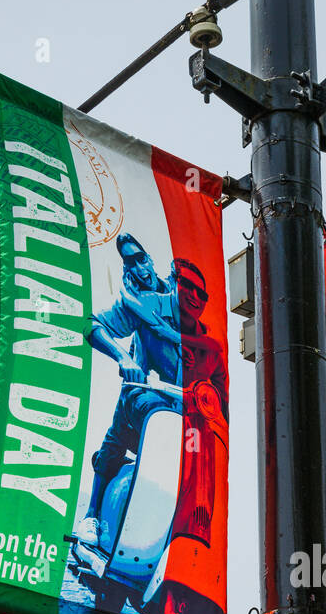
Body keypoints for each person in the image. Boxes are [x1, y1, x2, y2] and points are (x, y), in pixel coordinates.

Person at [74, 234, 227, 547]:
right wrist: (124, 357)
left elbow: (220, 391)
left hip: (184, 409)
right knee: (119, 435)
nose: (194, 298)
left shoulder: (205, 339)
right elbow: (93, 325)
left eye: (201, 294)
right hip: (145, 393)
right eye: (132, 262)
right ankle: (91, 516)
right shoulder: (141, 304)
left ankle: (186, 533)